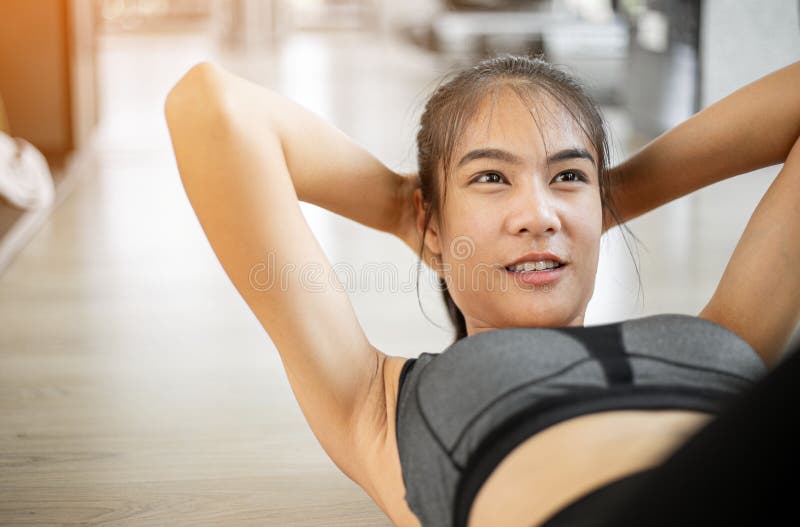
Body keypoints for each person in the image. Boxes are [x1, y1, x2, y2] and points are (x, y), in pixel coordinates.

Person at [164, 54, 800, 527]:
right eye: (492, 177)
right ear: (432, 221)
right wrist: (402, 210)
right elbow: (212, 106)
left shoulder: (731, 331)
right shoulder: (372, 405)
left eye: (568, 174)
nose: (538, 214)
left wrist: (601, 199)